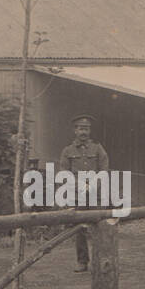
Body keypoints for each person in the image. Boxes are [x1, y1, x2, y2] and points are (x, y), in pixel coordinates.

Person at [59, 114, 109, 273]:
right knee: (79, 229)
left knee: (99, 227)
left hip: (95, 194)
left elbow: (104, 170)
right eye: (81, 128)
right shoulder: (68, 151)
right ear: (75, 130)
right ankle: (82, 262)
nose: (84, 132)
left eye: (86, 129)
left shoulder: (98, 148)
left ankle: (100, 260)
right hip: (77, 194)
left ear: (90, 130)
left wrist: (94, 185)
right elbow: (64, 173)